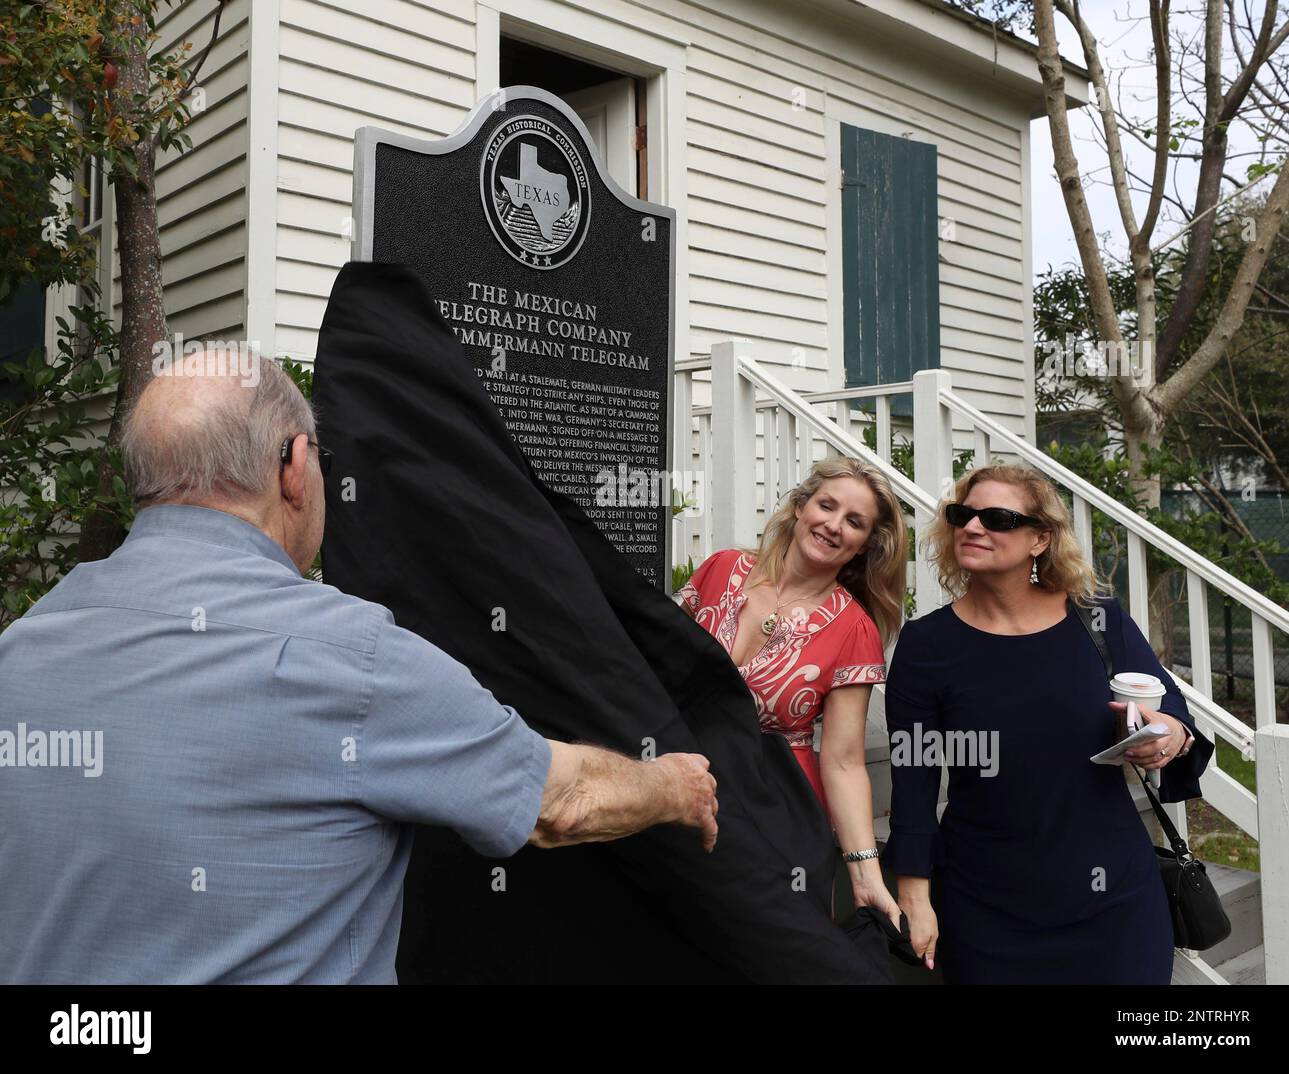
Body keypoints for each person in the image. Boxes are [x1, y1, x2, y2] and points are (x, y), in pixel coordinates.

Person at [0, 351, 718, 984]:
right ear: (292, 465)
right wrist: (673, 786)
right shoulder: (354, 661)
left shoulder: (21, 647)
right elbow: (562, 802)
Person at [883, 463, 1214, 984]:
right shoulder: (927, 645)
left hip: (1114, 902)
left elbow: (1170, 710)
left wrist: (1170, 736)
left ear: (1040, 538)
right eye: (962, 515)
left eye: (995, 518)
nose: (972, 527)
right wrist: (915, 895)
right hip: (986, 905)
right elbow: (914, 781)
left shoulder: (1095, 618)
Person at [675, 455, 907, 923]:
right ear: (801, 506)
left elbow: (842, 760)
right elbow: (654, 663)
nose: (834, 525)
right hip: (675, 784)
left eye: (855, 522)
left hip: (772, 811)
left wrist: (865, 873)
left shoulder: (853, 629)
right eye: (827, 505)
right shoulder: (720, 568)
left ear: (865, 545)